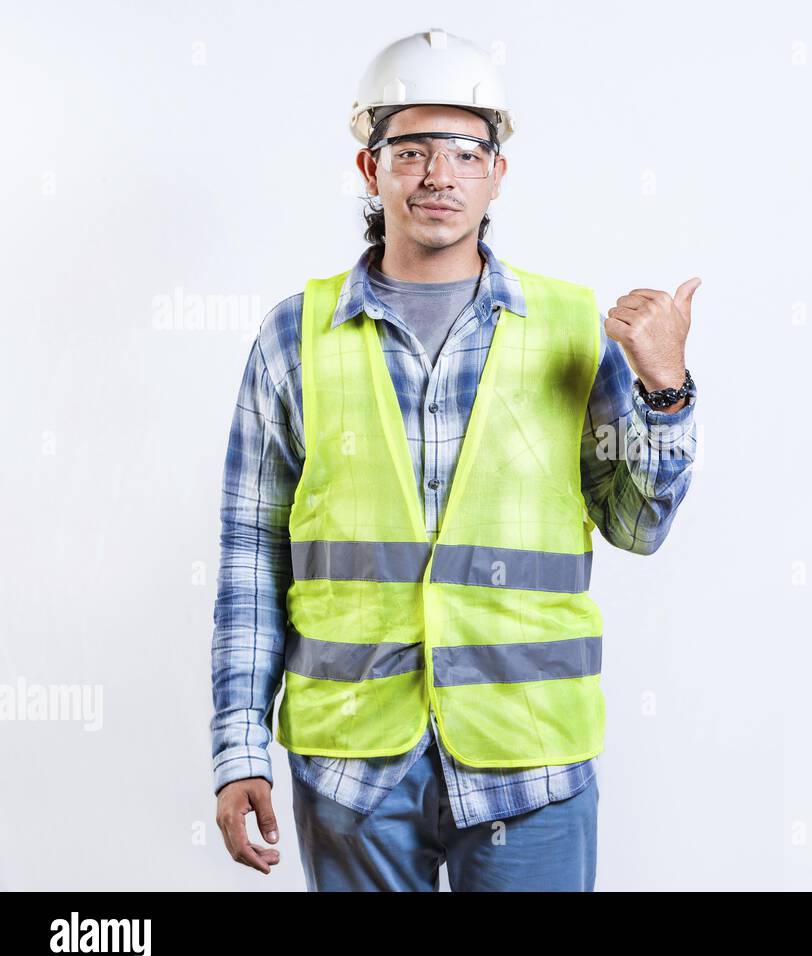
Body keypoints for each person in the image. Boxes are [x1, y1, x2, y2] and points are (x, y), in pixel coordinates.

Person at [209, 28, 700, 891]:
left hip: (532, 760)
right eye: (411, 151)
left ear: (497, 173)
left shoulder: (572, 328)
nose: (439, 175)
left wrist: (663, 388)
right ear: (370, 169)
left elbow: (639, 523)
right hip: (352, 766)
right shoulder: (295, 336)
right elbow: (251, 555)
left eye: (465, 151)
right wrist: (239, 744)